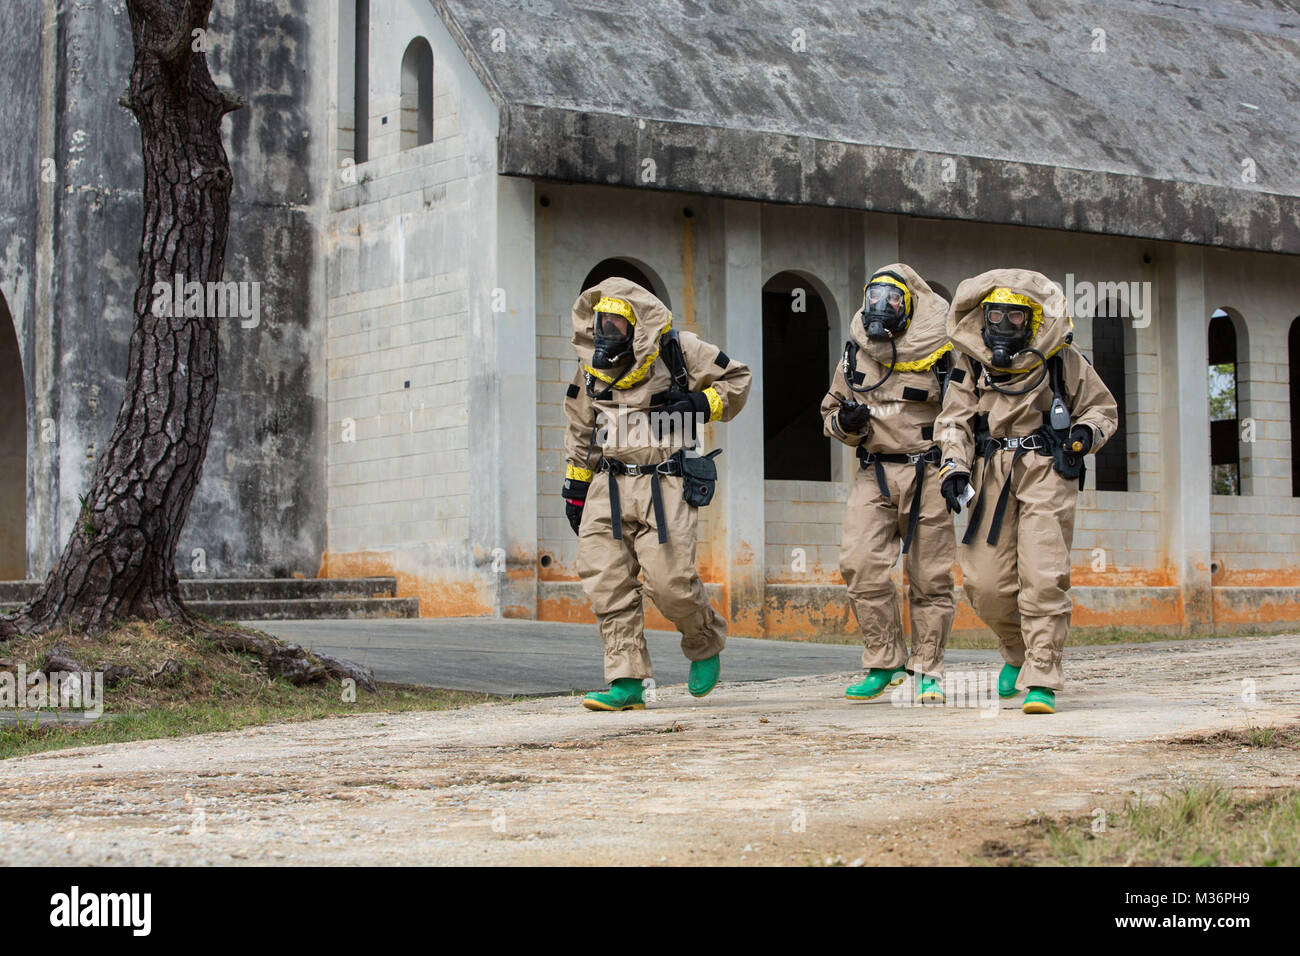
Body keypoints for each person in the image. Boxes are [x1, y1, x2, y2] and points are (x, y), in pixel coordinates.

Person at [562, 277, 751, 711]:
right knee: (604, 580)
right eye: (601, 322)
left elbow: (738, 379)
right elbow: (580, 423)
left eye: (615, 323)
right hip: (607, 483)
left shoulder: (678, 349)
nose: (606, 331)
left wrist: (700, 405)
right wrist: (575, 484)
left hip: (664, 481)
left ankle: (703, 641)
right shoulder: (591, 362)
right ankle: (627, 680)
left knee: (670, 584)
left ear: (636, 324)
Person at [935, 269, 1117, 714]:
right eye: (994, 314)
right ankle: (1017, 651)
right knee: (984, 583)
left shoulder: (1060, 357)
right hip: (990, 473)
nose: (1003, 325)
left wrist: (1083, 435)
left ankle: (1042, 677)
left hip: (1046, 470)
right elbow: (954, 420)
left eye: (1015, 317)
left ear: (1031, 322)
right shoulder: (972, 363)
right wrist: (954, 467)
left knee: (1042, 575)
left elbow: (1101, 408)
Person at [820, 264, 955, 704]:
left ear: (910, 305)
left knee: (929, 577)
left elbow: (961, 414)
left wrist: (958, 467)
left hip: (928, 473)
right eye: (875, 299)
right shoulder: (855, 351)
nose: (882, 308)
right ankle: (885, 661)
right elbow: (830, 412)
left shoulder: (942, 350)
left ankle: (927, 669)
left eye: (892, 301)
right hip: (873, 471)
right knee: (859, 564)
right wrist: (846, 422)